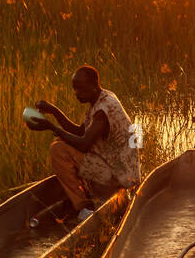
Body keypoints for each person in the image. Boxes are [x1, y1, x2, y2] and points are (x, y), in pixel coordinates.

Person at [35, 66, 139, 220]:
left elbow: (83, 144)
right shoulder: (102, 98)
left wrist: (52, 127)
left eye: (81, 89)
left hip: (117, 176)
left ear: (93, 86)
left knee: (58, 149)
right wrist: (54, 111)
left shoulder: (103, 111)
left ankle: (82, 207)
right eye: (75, 89)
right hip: (116, 168)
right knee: (62, 143)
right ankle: (85, 193)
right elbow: (80, 131)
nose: (77, 93)